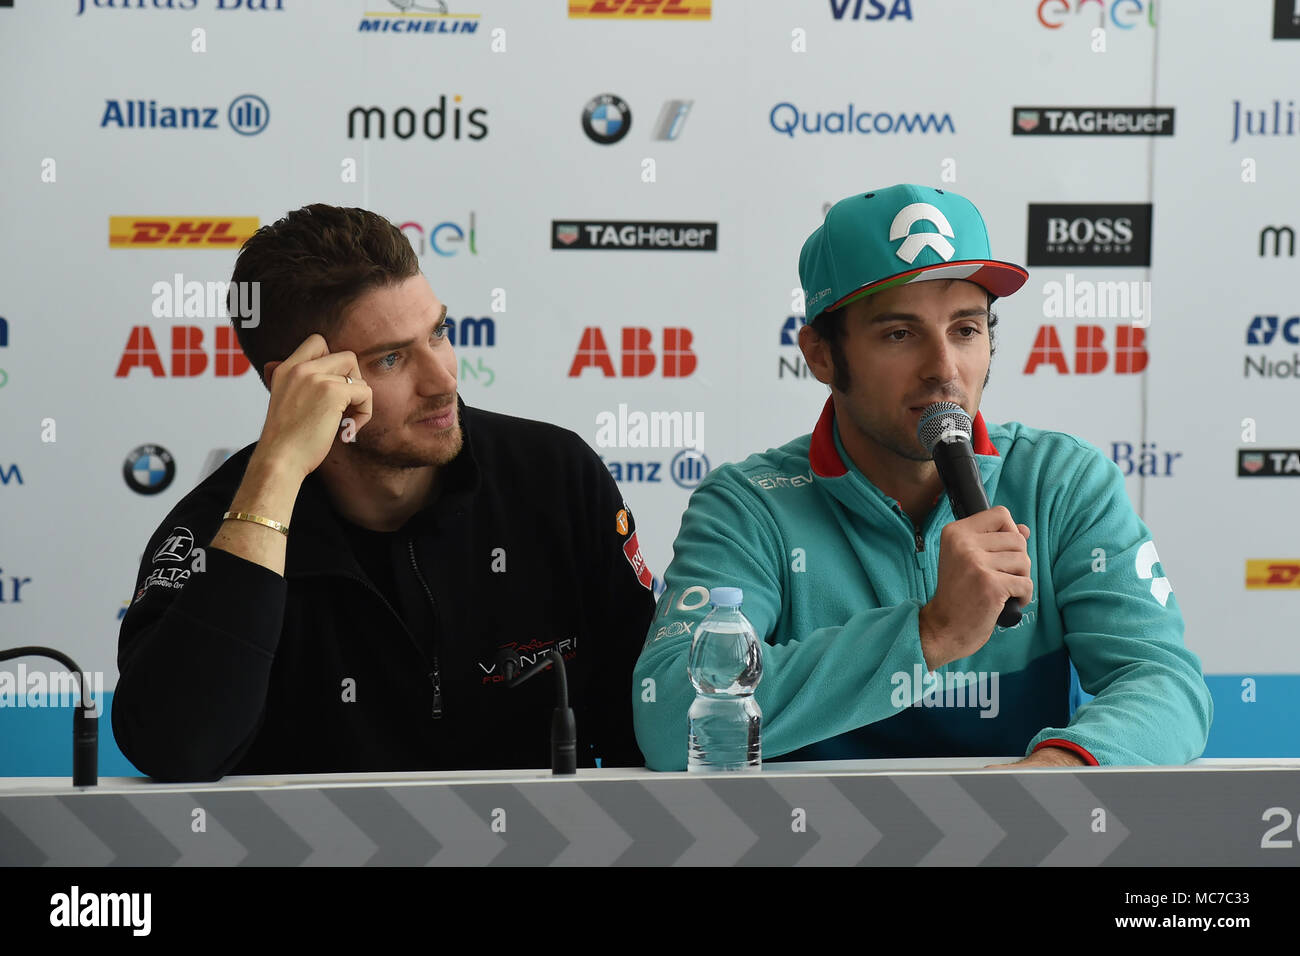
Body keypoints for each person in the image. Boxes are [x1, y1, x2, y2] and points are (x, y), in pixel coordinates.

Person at [634, 184, 1212, 770]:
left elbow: (1164, 684)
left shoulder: (1061, 482)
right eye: (899, 334)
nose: (943, 369)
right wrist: (929, 634)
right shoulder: (748, 506)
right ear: (821, 356)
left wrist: (1055, 776)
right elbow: (672, 717)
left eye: (965, 329)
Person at [114, 204, 656, 781]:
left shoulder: (555, 477)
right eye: (391, 359)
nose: (444, 379)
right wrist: (274, 477)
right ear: (298, 384)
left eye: (439, 333)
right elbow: (176, 751)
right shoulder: (214, 528)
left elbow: (651, 725)